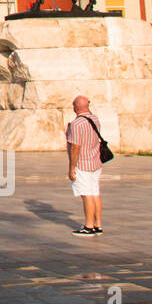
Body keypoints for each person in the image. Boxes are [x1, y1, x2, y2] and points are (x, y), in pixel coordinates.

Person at [66, 95, 105, 236]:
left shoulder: (76, 124)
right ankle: (98, 224)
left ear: (75, 107)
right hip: (95, 161)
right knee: (95, 193)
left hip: (83, 164)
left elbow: (75, 147)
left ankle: (89, 226)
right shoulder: (95, 119)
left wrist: (71, 168)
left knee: (86, 194)